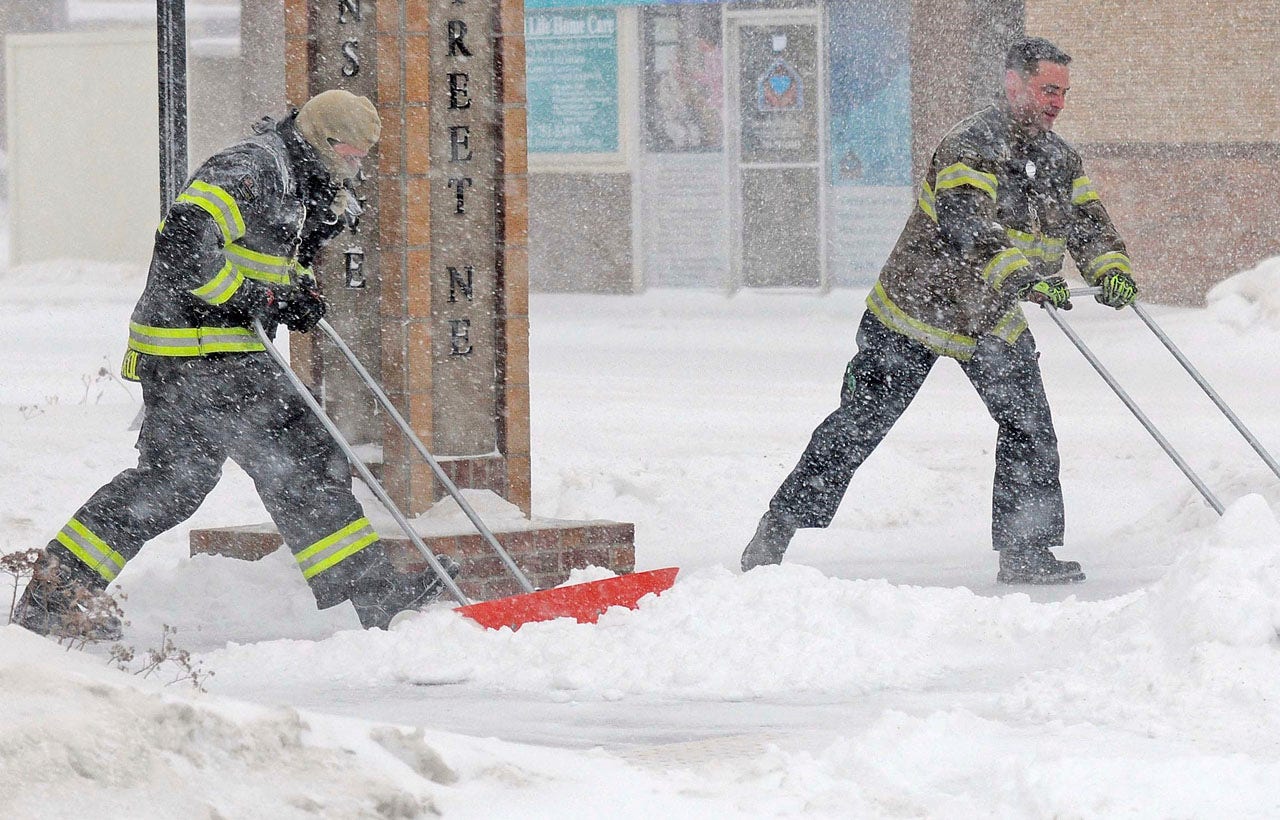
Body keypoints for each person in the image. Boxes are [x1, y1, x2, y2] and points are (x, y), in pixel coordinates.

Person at [14, 90, 459, 638]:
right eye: (349, 152)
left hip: (200, 350)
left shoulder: (297, 180)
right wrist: (261, 300)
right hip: (203, 348)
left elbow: (261, 255)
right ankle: (368, 597)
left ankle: (54, 595)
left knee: (172, 483)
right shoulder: (251, 167)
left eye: (363, 155)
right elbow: (183, 242)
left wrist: (297, 290)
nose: (356, 163)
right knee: (303, 460)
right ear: (320, 139)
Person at [742, 37, 1138, 584]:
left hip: (988, 318)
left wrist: (1109, 267)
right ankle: (776, 531)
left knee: (1029, 426)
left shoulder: (1057, 158)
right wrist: (1024, 277)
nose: (1057, 104)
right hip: (914, 312)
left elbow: (1088, 221)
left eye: (1064, 94)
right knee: (859, 425)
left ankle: (1026, 552)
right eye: (1049, 90)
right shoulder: (970, 144)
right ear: (1013, 84)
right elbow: (967, 225)